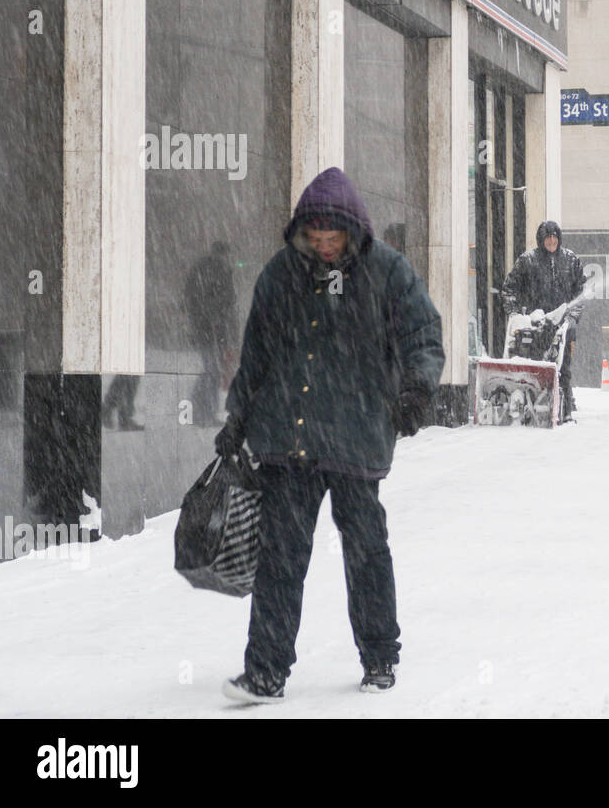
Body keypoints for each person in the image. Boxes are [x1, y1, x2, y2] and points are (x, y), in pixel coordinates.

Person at [215, 166, 444, 702]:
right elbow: (256, 355)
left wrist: (416, 389)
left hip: (355, 433)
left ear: (352, 232)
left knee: (365, 549)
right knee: (280, 557)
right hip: (287, 438)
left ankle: (380, 656)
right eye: (314, 238)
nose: (323, 246)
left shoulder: (387, 271)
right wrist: (237, 419)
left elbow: (423, 334)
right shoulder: (279, 274)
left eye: (332, 237)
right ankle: (266, 671)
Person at [502, 221, 587, 422]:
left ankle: (564, 407)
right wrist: (515, 315)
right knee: (530, 363)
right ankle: (528, 402)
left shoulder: (570, 260)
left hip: (561, 323)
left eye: (555, 237)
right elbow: (509, 289)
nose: (551, 241)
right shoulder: (527, 261)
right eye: (548, 237)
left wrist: (571, 317)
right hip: (534, 323)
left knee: (563, 366)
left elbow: (581, 292)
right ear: (541, 240)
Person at [185, 241, 237, 426]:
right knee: (212, 371)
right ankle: (203, 412)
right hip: (210, 328)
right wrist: (213, 316)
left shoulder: (205, 270)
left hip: (209, 328)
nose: (226, 258)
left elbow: (227, 302)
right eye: (225, 255)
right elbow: (227, 301)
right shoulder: (215, 271)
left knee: (212, 371)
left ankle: (200, 411)